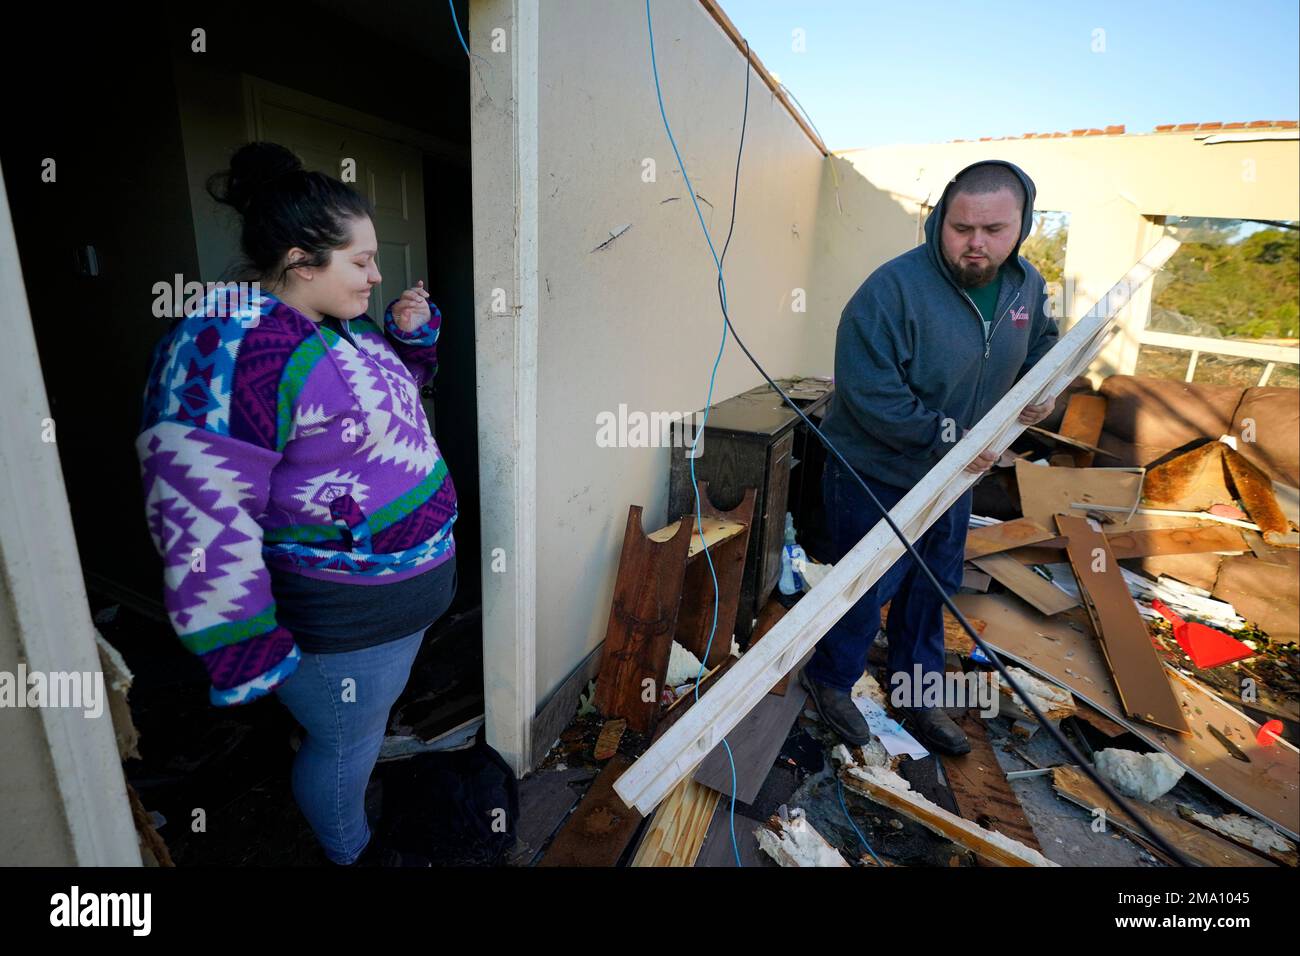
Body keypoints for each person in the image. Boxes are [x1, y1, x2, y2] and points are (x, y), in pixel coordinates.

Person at [136, 141, 458, 865]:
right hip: (343, 619)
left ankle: (352, 732)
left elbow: (367, 417)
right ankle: (352, 852)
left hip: (396, 606)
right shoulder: (231, 345)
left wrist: (411, 341)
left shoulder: (335, 325)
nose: (378, 274)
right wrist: (243, 648)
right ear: (299, 259)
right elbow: (197, 508)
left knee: (354, 728)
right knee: (342, 753)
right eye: (362, 261)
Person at [802, 160, 1058, 756]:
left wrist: (1045, 390)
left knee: (932, 585)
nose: (975, 243)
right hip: (875, 472)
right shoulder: (891, 291)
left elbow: (1045, 346)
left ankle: (917, 693)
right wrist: (954, 437)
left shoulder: (1028, 287)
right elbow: (871, 395)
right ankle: (832, 680)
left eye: (994, 230)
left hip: (956, 474)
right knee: (863, 585)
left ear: (1022, 226)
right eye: (961, 227)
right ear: (942, 218)